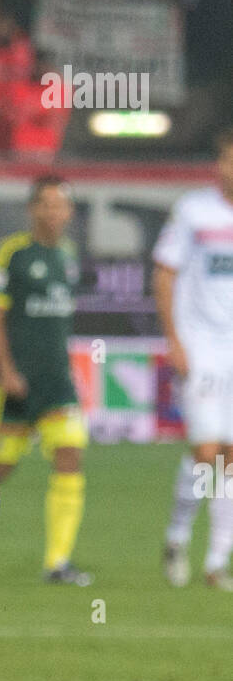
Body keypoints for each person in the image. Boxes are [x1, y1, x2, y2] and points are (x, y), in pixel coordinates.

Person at [0, 176, 91, 584]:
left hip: (56, 382)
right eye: (45, 204)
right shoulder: (13, 254)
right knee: (1, 467)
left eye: (60, 204)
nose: (53, 211)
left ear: (69, 211)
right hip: (17, 381)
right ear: (32, 209)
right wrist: (7, 370)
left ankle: (58, 563)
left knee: (70, 455)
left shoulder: (69, 255)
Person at [154, 129, 233, 590]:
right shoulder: (193, 210)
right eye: (227, 159)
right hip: (200, 347)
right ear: (217, 164)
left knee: (229, 459)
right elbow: (165, 274)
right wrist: (175, 341)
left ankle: (215, 561)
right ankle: (178, 538)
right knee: (205, 453)